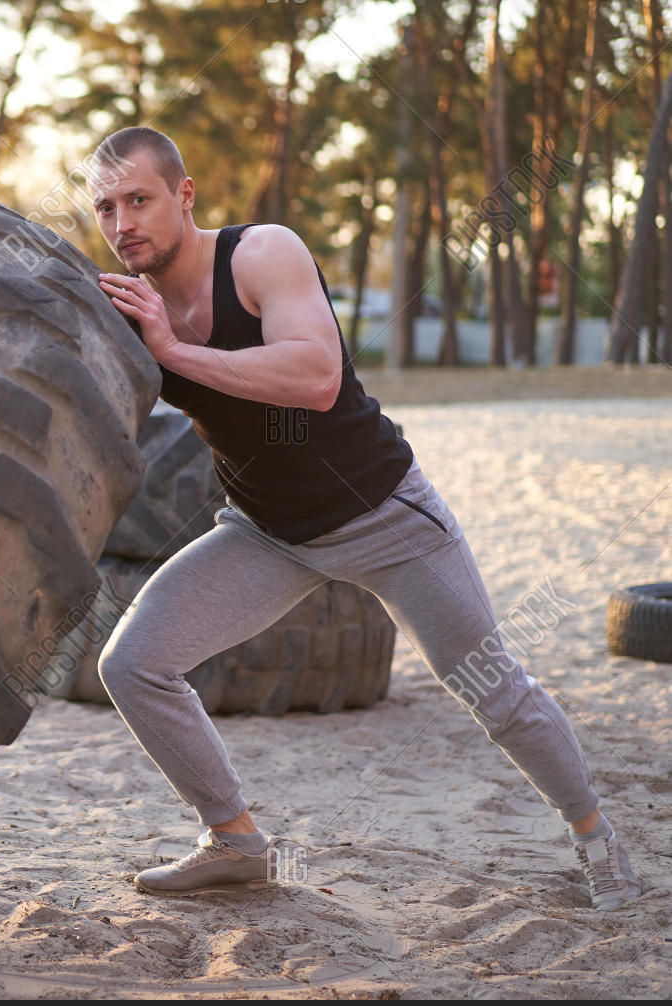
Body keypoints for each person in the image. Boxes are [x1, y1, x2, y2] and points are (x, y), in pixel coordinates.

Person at [87, 126, 640, 910]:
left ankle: (597, 837)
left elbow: (313, 376)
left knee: (494, 692)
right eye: (105, 207)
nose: (121, 224)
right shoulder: (130, 299)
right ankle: (237, 842)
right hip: (267, 534)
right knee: (131, 664)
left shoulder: (260, 254)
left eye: (138, 199)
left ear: (183, 196)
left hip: (386, 516)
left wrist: (174, 351)